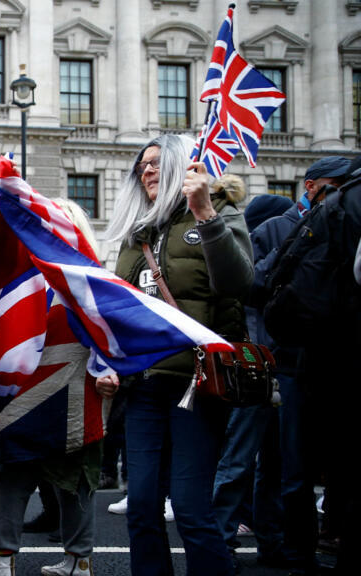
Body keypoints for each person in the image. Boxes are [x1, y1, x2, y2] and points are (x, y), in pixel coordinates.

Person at [102, 134, 252, 576]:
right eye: (141, 166)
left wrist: (205, 214)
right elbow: (120, 305)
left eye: (156, 162)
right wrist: (109, 361)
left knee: (189, 508)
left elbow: (239, 282)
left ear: (182, 165)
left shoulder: (219, 212)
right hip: (143, 385)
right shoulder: (138, 231)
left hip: (196, 385)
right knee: (141, 506)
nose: (146, 171)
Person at [0, 199, 105, 576]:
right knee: (12, 478)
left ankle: (78, 561)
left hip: (75, 392)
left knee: (75, 482)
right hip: (21, 394)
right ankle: (2, 558)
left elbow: (112, 334)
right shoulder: (17, 274)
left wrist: (111, 371)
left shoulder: (93, 278)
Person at [249, 156, 351, 575]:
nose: (344, 194)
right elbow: (254, 287)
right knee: (287, 466)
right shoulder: (277, 229)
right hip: (288, 363)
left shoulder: (347, 226)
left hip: (334, 360)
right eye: (337, 186)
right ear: (311, 187)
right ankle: (292, 552)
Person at [210, 193, 295, 569]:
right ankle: (223, 542)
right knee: (241, 459)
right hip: (255, 366)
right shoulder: (257, 245)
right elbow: (250, 288)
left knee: (269, 462)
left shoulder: (258, 240)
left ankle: (266, 542)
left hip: (273, 364)